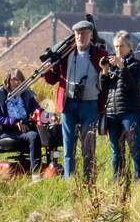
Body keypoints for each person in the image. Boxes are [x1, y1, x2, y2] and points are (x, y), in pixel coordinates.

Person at [43, 19, 106, 182]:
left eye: (84, 33)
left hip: (90, 104)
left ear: (91, 35)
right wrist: (48, 67)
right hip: (68, 104)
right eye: (78, 34)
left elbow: (107, 81)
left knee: (88, 146)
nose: (80, 37)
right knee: (68, 146)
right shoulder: (66, 54)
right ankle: (69, 180)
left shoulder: (100, 55)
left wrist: (103, 108)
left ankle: (88, 180)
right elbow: (51, 79)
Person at [101, 31, 140, 181]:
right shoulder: (113, 66)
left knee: (135, 149)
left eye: (121, 46)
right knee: (116, 152)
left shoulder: (137, 65)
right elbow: (104, 90)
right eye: (115, 46)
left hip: (132, 112)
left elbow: (133, 86)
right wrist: (105, 71)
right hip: (112, 113)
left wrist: (122, 67)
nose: (118, 50)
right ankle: (118, 184)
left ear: (130, 47)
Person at [0, 68, 44, 179]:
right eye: (13, 79)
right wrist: (14, 122)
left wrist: (47, 116)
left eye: (19, 79)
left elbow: (37, 108)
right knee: (33, 136)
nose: (17, 82)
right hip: (7, 130)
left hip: (25, 126)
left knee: (46, 133)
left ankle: (47, 167)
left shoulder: (26, 94)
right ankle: (36, 176)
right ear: (8, 80)